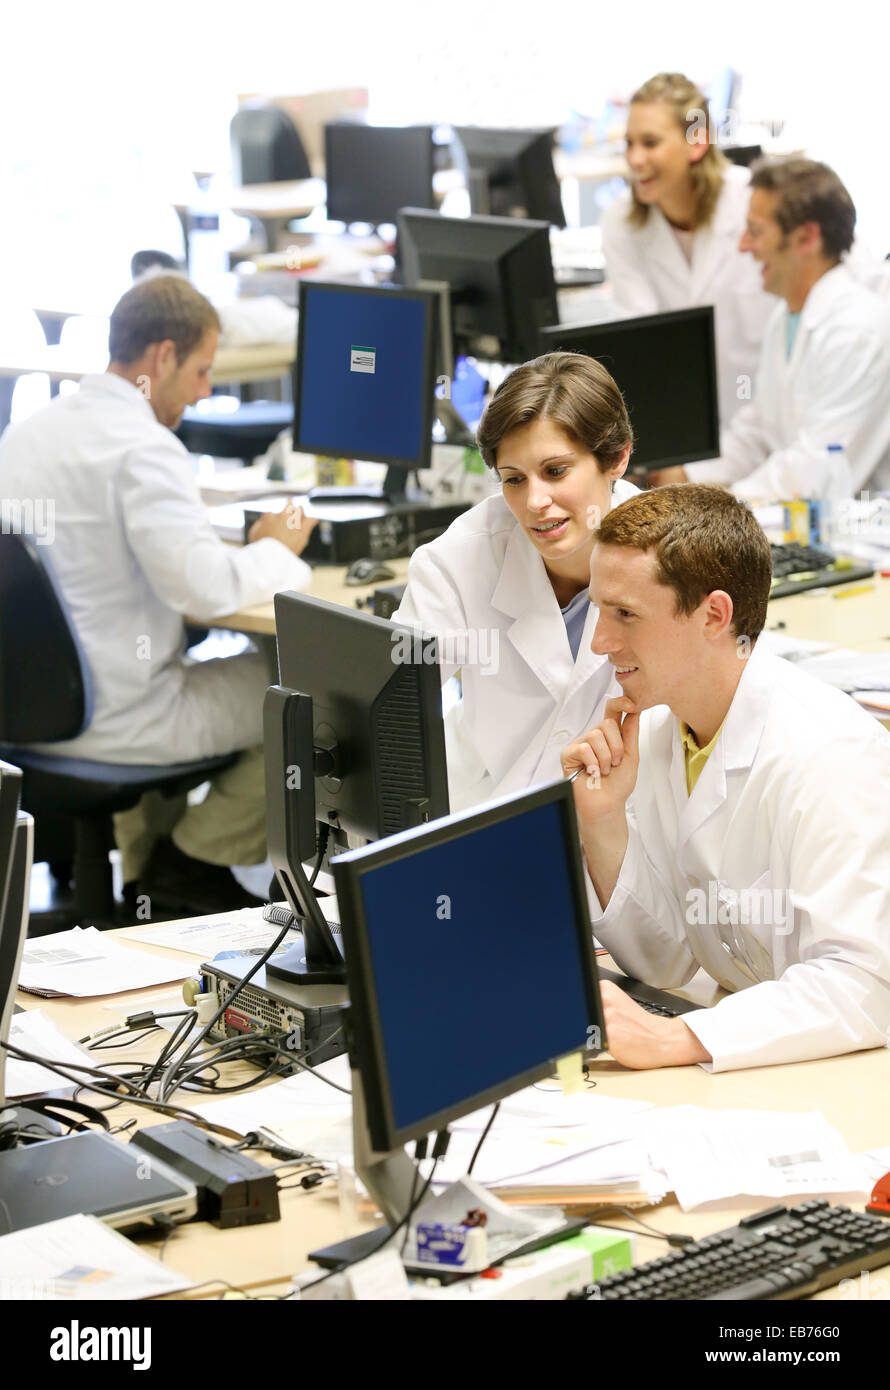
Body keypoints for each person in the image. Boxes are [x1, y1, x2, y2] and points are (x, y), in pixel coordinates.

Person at [0, 274, 317, 911]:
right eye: (201, 370)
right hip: (118, 720)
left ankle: (143, 883)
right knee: (311, 702)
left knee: (179, 659)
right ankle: (191, 864)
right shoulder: (145, 446)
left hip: (24, 718)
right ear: (164, 356)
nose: (205, 391)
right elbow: (204, 588)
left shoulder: (29, 433)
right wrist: (277, 549)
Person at [561, 484, 890, 1072]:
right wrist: (603, 822)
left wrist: (679, 1039)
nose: (600, 641)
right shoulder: (665, 727)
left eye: (625, 615)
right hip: (770, 1049)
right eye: (598, 607)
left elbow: (864, 983)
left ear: (715, 615)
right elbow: (667, 960)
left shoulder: (828, 754)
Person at [393, 352, 636, 812]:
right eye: (513, 479)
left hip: (627, 830)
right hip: (485, 811)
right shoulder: (459, 560)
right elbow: (389, 708)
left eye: (556, 471)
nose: (534, 501)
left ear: (617, 458)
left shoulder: (674, 559)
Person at [652, 158, 890, 498]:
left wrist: (719, 507)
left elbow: (817, 470)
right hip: (799, 521)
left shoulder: (858, 330)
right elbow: (759, 430)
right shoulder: (786, 317)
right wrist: (686, 475)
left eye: (756, 231)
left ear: (806, 238)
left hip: (860, 533)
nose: (743, 246)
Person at [601, 72, 774, 429]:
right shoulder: (621, 221)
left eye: (650, 143)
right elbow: (643, 340)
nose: (634, 158)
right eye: (629, 143)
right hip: (685, 421)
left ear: (697, 141)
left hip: (768, 415)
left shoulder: (753, 203)